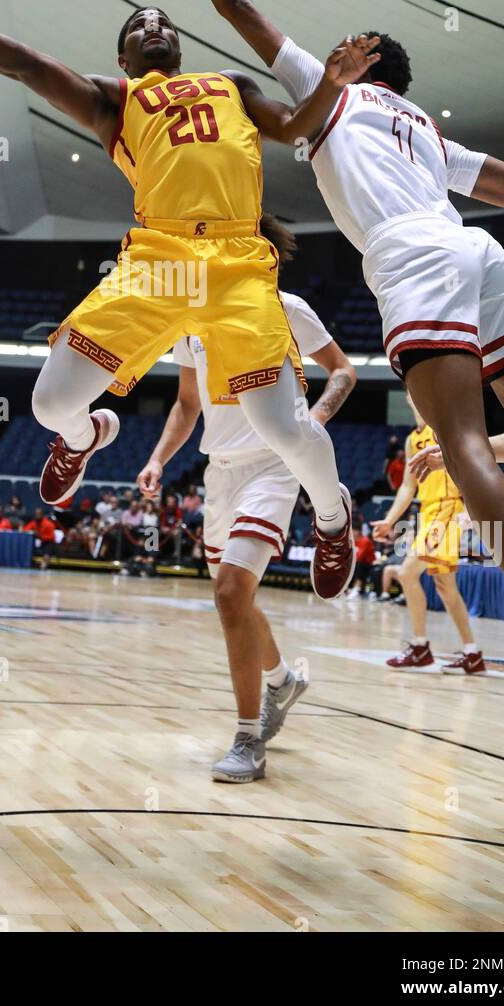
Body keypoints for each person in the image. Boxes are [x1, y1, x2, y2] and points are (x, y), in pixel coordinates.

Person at [116, 0, 504, 750]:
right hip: (479, 252)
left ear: (363, 66)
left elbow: (234, 4)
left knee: (460, 444)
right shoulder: (425, 134)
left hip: (416, 266)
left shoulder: (335, 99)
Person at [0, 0, 376, 602]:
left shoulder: (233, 88)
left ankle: (332, 519)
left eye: (163, 22)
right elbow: (23, 63)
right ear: (126, 58)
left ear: (179, 49)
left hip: (238, 267)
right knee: (49, 405)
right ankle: (89, 436)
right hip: (157, 265)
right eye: (139, 25)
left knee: (281, 429)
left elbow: (300, 125)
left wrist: (332, 80)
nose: (154, 24)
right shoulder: (115, 100)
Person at [137, 213, 355, 781]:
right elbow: (187, 406)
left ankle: (247, 740)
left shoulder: (288, 308)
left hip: (274, 466)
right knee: (237, 599)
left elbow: (343, 371)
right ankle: (283, 682)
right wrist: (159, 457)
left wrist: (315, 420)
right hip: (220, 473)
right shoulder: (192, 321)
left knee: (232, 594)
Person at [372, 393, 485, 673]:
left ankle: (420, 647)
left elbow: (470, 466)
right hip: (429, 512)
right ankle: (472, 654)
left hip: (449, 510)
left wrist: (470, 508)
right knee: (445, 588)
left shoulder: (443, 427)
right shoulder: (412, 439)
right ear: (408, 398)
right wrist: (389, 521)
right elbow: (408, 487)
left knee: (407, 572)